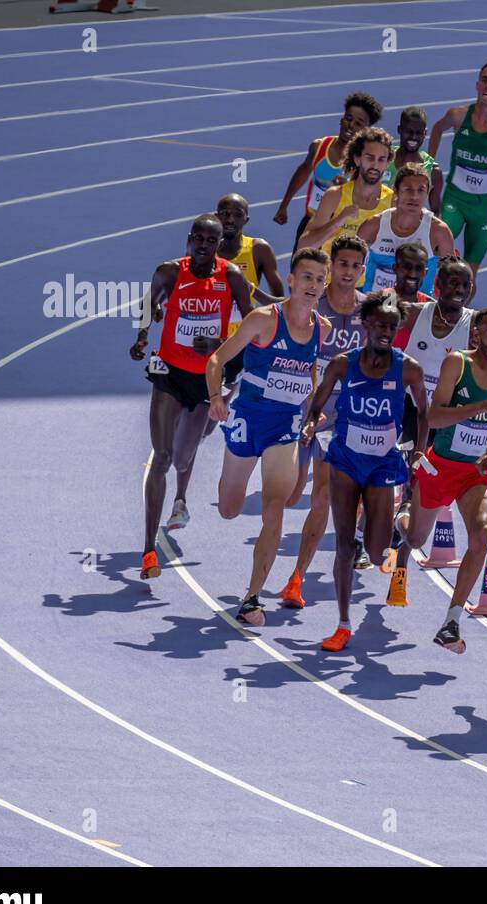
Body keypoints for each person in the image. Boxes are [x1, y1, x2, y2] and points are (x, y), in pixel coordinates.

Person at [204, 249, 330, 626]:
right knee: (229, 508)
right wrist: (215, 399)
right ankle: (228, 483)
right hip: (246, 422)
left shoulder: (321, 329)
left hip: (284, 429)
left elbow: (309, 373)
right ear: (290, 281)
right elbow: (216, 361)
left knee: (275, 509)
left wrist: (310, 409)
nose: (313, 285)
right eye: (306, 277)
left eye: (319, 280)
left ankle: (252, 598)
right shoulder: (263, 320)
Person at [130, 215, 255, 580]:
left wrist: (219, 345)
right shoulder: (170, 272)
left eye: (209, 240)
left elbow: (251, 327)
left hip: (207, 378)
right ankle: (149, 549)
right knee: (163, 458)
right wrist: (141, 336)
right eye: (196, 239)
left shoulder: (231, 277)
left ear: (219, 244)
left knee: (184, 457)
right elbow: (148, 304)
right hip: (168, 373)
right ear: (188, 240)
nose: (201, 245)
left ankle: (182, 496)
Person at [303, 292, 428, 652]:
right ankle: (343, 624)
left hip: (383, 463)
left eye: (393, 325)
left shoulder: (409, 368)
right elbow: (318, 402)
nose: (386, 330)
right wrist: (312, 424)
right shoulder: (343, 364)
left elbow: (422, 412)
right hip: (345, 458)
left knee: (375, 555)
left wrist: (418, 450)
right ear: (366, 325)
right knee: (343, 545)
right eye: (380, 324)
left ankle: (396, 525)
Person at [398, 309, 487, 651]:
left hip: (475, 474)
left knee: (481, 534)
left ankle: (451, 622)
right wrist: (478, 405)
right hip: (440, 468)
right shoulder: (457, 364)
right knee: (417, 538)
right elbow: (433, 418)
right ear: (477, 335)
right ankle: (401, 518)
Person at [170, 194, 284, 530]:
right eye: (224, 213)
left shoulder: (258, 250)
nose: (230, 218)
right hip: (197, 348)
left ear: (246, 220)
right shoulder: (205, 249)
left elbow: (279, 302)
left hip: (235, 352)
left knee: (204, 426)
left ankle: (184, 454)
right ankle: (180, 500)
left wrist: (250, 292)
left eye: (237, 214)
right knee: (191, 425)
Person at [279, 236, 368, 610]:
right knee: (292, 494)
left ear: (363, 272)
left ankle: (295, 578)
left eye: (354, 267)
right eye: (341, 265)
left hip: (347, 418)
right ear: (331, 267)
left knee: (322, 499)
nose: (347, 273)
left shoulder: (371, 310)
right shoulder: (313, 306)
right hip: (307, 409)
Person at [385, 257, 478, 608]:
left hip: (444, 419)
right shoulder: (415, 313)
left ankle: (400, 564)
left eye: (464, 286)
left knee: (418, 495)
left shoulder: (474, 325)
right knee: (402, 482)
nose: (457, 292)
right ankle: (383, 545)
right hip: (409, 408)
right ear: (436, 288)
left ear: (471, 291)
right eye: (450, 285)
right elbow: (376, 306)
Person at [428, 59, 487, 280]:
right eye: (484, 80)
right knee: (437, 252)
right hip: (455, 200)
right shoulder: (458, 115)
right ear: (477, 85)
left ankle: (463, 313)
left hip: (484, 208)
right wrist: (430, 162)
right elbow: (436, 129)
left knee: (468, 276)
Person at [273, 92, 383, 249]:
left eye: (358, 123)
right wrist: (284, 206)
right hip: (311, 223)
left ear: (367, 130)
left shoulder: (364, 162)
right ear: (342, 119)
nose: (351, 125)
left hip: (341, 230)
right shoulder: (319, 147)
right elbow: (303, 173)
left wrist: (345, 188)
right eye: (348, 119)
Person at [358, 164, 457, 295]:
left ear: (428, 193)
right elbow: (354, 267)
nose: (414, 196)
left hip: (418, 310)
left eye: (420, 190)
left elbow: (451, 279)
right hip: (375, 307)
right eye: (408, 189)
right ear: (396, 191)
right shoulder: (373, 226)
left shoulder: (439, 232)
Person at [296, 127, 394, 256]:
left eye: (381, 159)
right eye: (370, 158)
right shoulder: (335, 196)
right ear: (357, 159)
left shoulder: (392, 202)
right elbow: (304, 246)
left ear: (387, 163)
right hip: (331, 276)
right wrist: (337, 221)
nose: (375, 165)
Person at [382, 107, 444, 213]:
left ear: (425, 133)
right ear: (399, 129)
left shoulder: (433, 171)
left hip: (409, 227)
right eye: (409, 131)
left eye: (419, 132)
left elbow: (436, 213)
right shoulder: (382, 158)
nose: (413, 137)